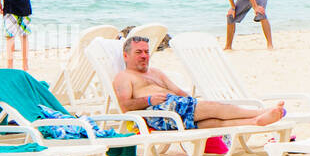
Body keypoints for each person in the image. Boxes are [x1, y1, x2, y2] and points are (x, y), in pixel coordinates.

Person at [112, 36, 286, 129]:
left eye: (146, 52)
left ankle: (255, 121)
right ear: (126, 56)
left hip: (176, 107)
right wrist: (149, 100)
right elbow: (125, 106)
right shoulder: (124, 77)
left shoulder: (156, 72)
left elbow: (179, 92)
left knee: (211, 121)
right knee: (214, 107)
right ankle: (261, 111)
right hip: (159, 113)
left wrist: (191, 101)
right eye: (139, 52)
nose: (144, 56)